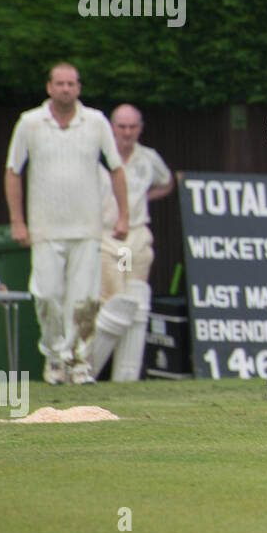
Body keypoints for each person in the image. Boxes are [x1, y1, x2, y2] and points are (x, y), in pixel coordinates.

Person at [5, 63, 128, 385]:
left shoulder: (96, 122)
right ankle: (54, 357)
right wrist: (18, 221)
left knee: (84, 300)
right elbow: (13, 170)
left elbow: (116, 168)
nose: (65, 89)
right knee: (46, 295)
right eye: (59, 83)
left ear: (78, 88)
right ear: (49, 87)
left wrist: (124, 215)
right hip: (45, 227)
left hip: (86, 227)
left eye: (71, 84)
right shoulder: (30, 123)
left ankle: (78, 361)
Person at [90, 105, 175, 380]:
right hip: (106, 236)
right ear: (113, 128)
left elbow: (167, 183)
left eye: (132, 127)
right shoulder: (99, 157)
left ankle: (126, 376)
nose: (127, 133)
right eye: (122, 127)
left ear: (140, 128)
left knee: (135, 301)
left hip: (135, 236)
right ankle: (86, 370)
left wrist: (140, 201)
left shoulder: (148, 158)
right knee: (112, 301)